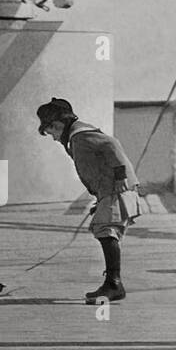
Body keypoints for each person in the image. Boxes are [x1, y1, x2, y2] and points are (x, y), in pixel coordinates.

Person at [36, 97, 139, 303]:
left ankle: (114, 284)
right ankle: (112, 282)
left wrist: (120, 175)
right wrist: (101, 200)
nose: (54, 138)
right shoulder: (78, 136)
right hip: (109, 191)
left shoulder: (81, 136)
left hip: (116, 188)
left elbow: (112, 145)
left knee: (106, 230)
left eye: (51, 133)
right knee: (105, 229)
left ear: (57, 125)